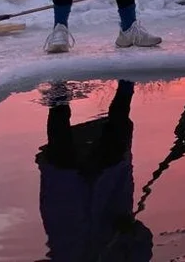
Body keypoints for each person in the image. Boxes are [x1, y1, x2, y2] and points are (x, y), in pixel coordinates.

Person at [36, 79, 154, 261]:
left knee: (59, 152)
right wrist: (132, 232)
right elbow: (143, 243)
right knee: (116, 143)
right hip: (111, 199)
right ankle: (126, 84)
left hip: (65, 208)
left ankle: (58, 88)